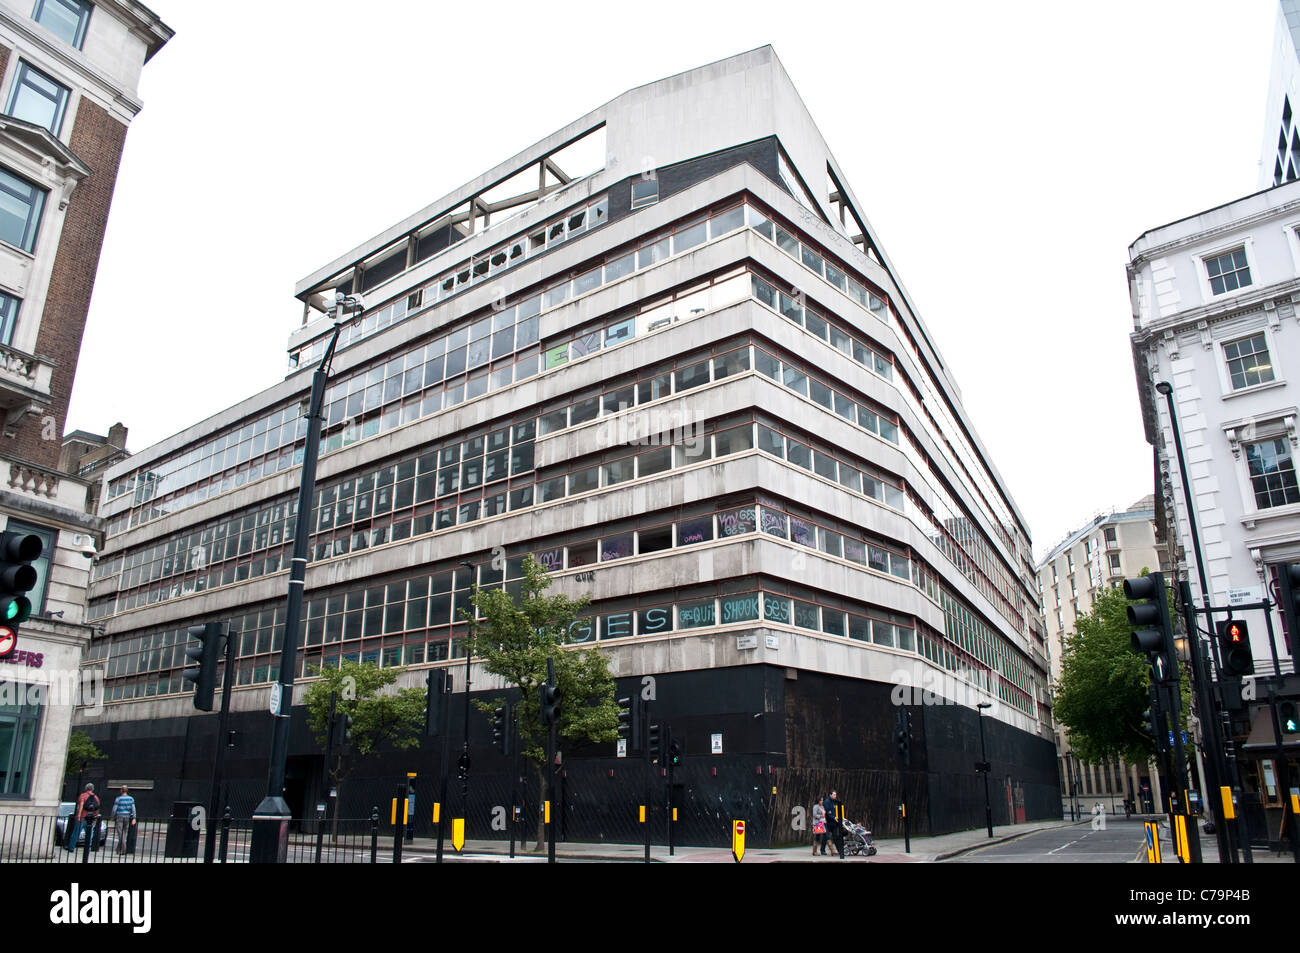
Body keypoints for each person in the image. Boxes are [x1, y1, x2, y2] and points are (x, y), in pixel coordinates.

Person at [66, 783, 99, 853]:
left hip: (82, 817)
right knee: (89, 834)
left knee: (76, 832)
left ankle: (71, 847)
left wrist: (79, 816)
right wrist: (95, 817)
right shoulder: (96, 797)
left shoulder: (83, 796)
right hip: (90, 818)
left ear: (86, 788)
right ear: (92, 789)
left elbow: (81, 805)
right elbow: (97, 808)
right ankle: (87, 848)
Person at [112, 785, 137, 853]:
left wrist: (112, 816)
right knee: (124, 833)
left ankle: (123, 848)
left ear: (121, 790)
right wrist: (134, 818)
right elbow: (133, 809)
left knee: (120, 833)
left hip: (119, 816)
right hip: (127, 816)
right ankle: (118, 849)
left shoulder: (118, 799)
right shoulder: (131, 799)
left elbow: (114, 809)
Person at [824, 790, 846, 859]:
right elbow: (828, 812)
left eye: (835, 795)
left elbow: (836, 810)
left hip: (834, 822)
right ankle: (823, 850)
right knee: (827, 836)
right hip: (827, 822)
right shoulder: (827, 802)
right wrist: (833, 817)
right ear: (830, 795)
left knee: (836, 836)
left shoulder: (836, 802)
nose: (835, 796)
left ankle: (839, 850)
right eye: (834, 795)